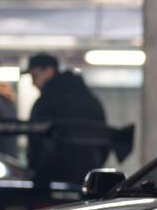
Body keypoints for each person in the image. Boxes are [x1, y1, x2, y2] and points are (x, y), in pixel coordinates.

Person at [24, 52, 109, 186]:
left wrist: (37, 177)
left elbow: (36, 145)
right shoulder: (90, 100)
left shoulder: (45, 103)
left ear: (49, 71)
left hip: (52, 183)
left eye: (34, 76)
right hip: (88, 181)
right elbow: (104, 140)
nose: (33, 83)